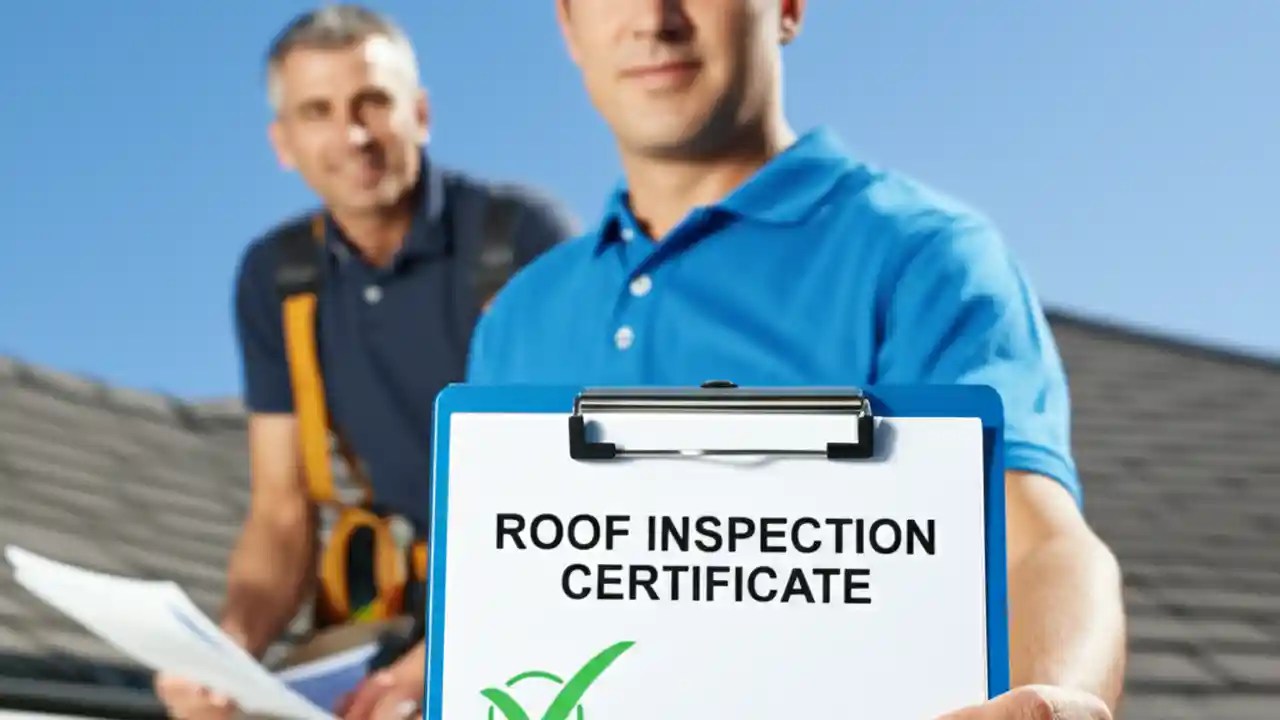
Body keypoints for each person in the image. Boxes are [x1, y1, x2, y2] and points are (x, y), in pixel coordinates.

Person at [467, 1, 1127, 719]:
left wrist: (1050, 695)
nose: (653, 19)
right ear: (569, 26)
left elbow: (1035, 544)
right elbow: (497, 592)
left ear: (786, 8)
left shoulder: (923, 255)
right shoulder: (519, 314)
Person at [154, 5, 576, 720]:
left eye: (372, 103)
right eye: (317, 112)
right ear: (282, 142)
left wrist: (441, 662)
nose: (352, 136)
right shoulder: (279, 278)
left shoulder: (515, 240)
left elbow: (572, 495)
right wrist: (229, 648)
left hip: (525, 597)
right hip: (375, 615)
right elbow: (281, 513)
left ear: (420, 113)